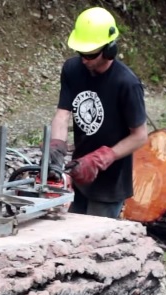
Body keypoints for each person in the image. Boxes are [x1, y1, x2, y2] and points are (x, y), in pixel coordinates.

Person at [48, 6, 148, 219]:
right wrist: (56, 148)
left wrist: (102, 157)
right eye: (81, 52)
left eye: (91, 54)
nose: (85, 59)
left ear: (110, 48)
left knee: (95, 242)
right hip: (79, 175)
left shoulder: (127, 83)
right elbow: (63, 113)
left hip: (110, 184)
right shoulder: (72, 70)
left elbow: (140, 136)